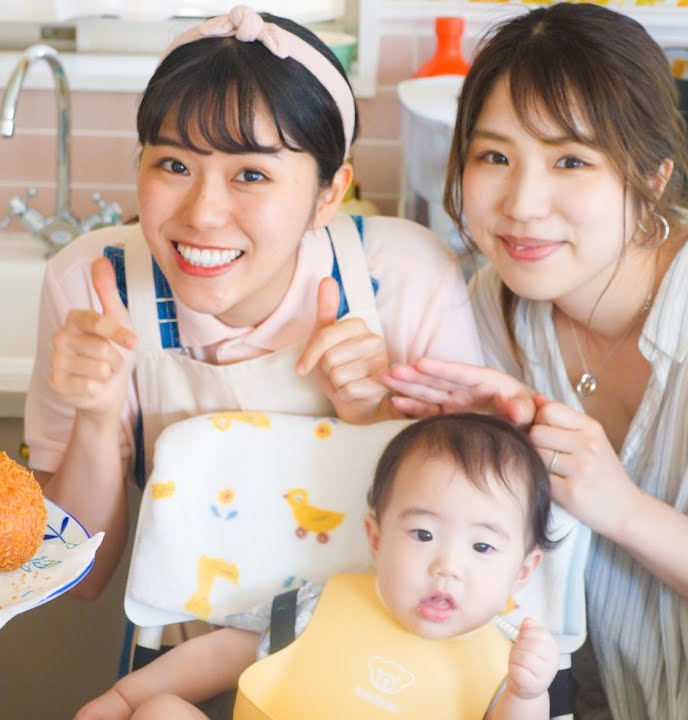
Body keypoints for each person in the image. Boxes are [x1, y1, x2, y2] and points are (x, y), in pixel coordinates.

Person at [381, 4, 688, 718]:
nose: (522, 204)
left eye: (571, 161)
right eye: (494, 157)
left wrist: (625, 510)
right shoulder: (497, 305)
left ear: (651, 178)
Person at [24, 5, 481, 604]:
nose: (202, 214)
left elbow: (478, 553)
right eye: (174, 165)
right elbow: (73, 581)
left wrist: (377, 423)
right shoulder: (92, 287)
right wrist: (96, 419)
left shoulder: (402, 279)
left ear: (329, 194)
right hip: (180, 652)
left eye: (252, 176)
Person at [75, 413, 559, 720]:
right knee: (162, 713)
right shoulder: (319, 604)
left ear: (523, 570)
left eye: (482, 548)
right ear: (376, 538)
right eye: (423, 535)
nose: (446, 567)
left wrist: (528, 693)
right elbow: (218, 656)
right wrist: (125, 697)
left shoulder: (508, 665)